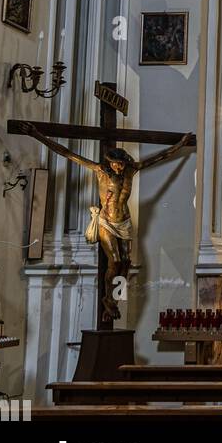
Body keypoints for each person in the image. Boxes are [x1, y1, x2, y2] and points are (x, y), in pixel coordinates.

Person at [17, 121, 193, 323]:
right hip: (107, 222)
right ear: (110, 162)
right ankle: (108, 299)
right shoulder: (101, 171)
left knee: (126, 262)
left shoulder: (131, 170)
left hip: (124, 222)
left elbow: (159, 157)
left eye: (121, 164)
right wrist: (36, 134)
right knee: (116, 260)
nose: (118, 167)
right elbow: (67, 153)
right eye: (115, 164)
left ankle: (115, 300)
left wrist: (180, 144)